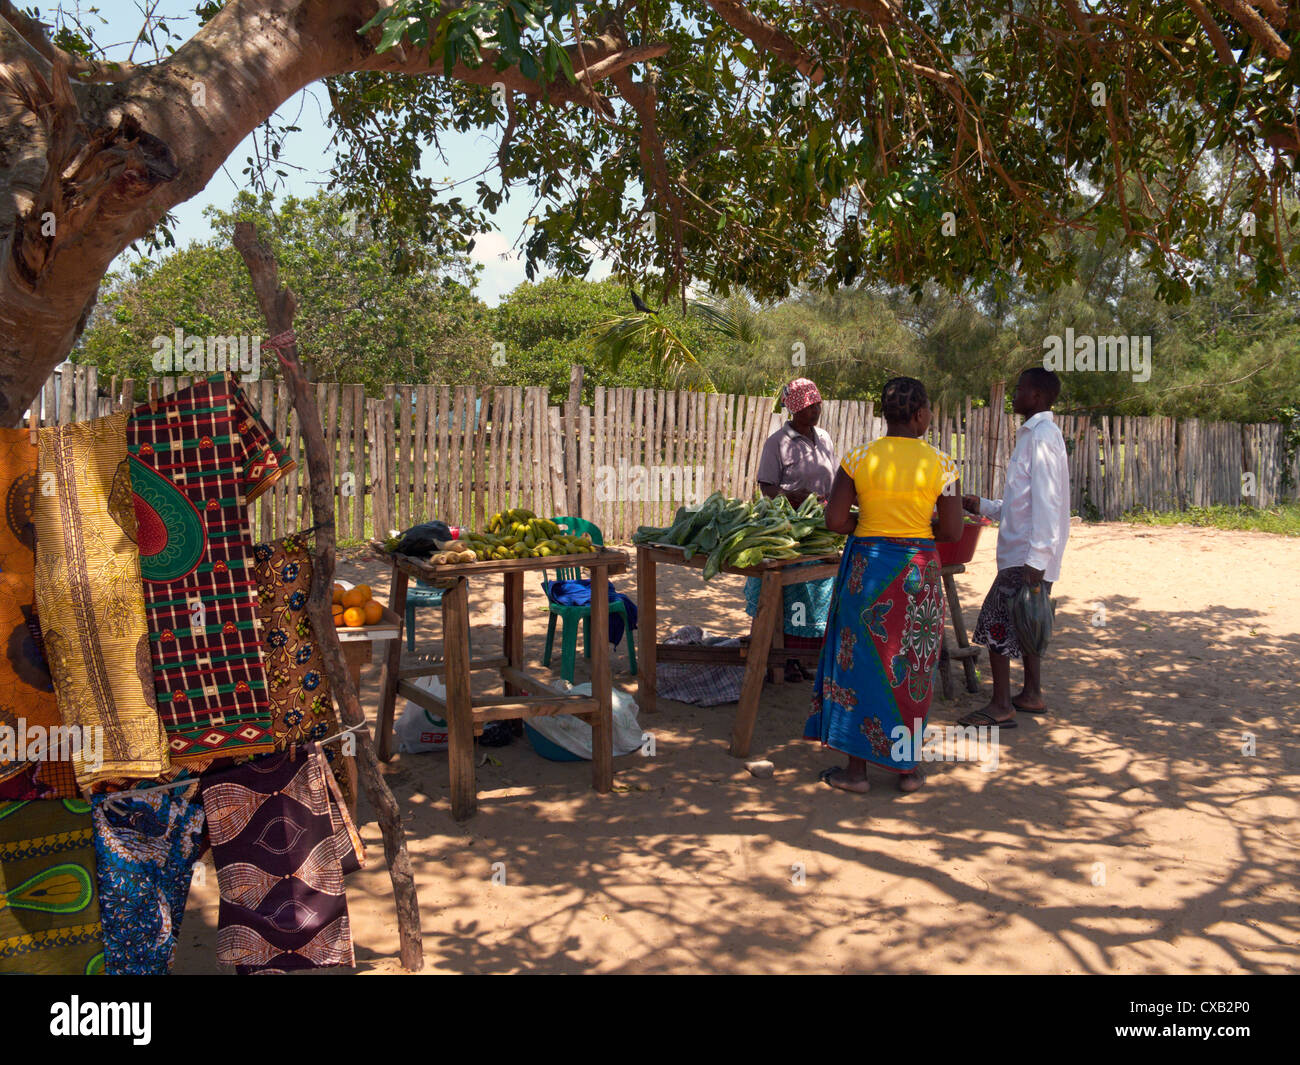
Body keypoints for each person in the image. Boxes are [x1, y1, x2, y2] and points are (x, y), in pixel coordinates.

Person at [804, 377, 963, 794]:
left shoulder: (857, 459)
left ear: (885, 414)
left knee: (859, 669)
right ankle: (906, 771)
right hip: (918, 577)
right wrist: (912, 527)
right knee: (912, 669)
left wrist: (872, 526)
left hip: (866, 574)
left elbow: (835, 521)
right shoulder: (944, 465)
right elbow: (950, 530)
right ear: (920, 415)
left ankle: (856, 773)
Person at [959, 367, 1070, 729]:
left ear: (1036, 397)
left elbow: (1047, 501)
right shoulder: (1033, 436)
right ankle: (1032, 694)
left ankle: (1002, 703)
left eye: (1020, 389)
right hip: (1028, 551)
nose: (1014, 394)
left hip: (1026, 555)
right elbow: (1021, 503)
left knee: (995, 623)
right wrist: (985, 506)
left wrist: (1036, 559)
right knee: (1028, 620)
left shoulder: (1041, 436)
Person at [748, 377, 837, 681]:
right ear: (795, 409)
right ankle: (783, 659)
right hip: (788, 526)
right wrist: (789, 496)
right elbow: (766, 485)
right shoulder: (778, 442)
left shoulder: (824, 437)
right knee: (791, 592)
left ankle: (805, 657)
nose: (815, 411)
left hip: (820, 526)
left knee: (819, 590)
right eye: (809, 406)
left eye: (818, 404)